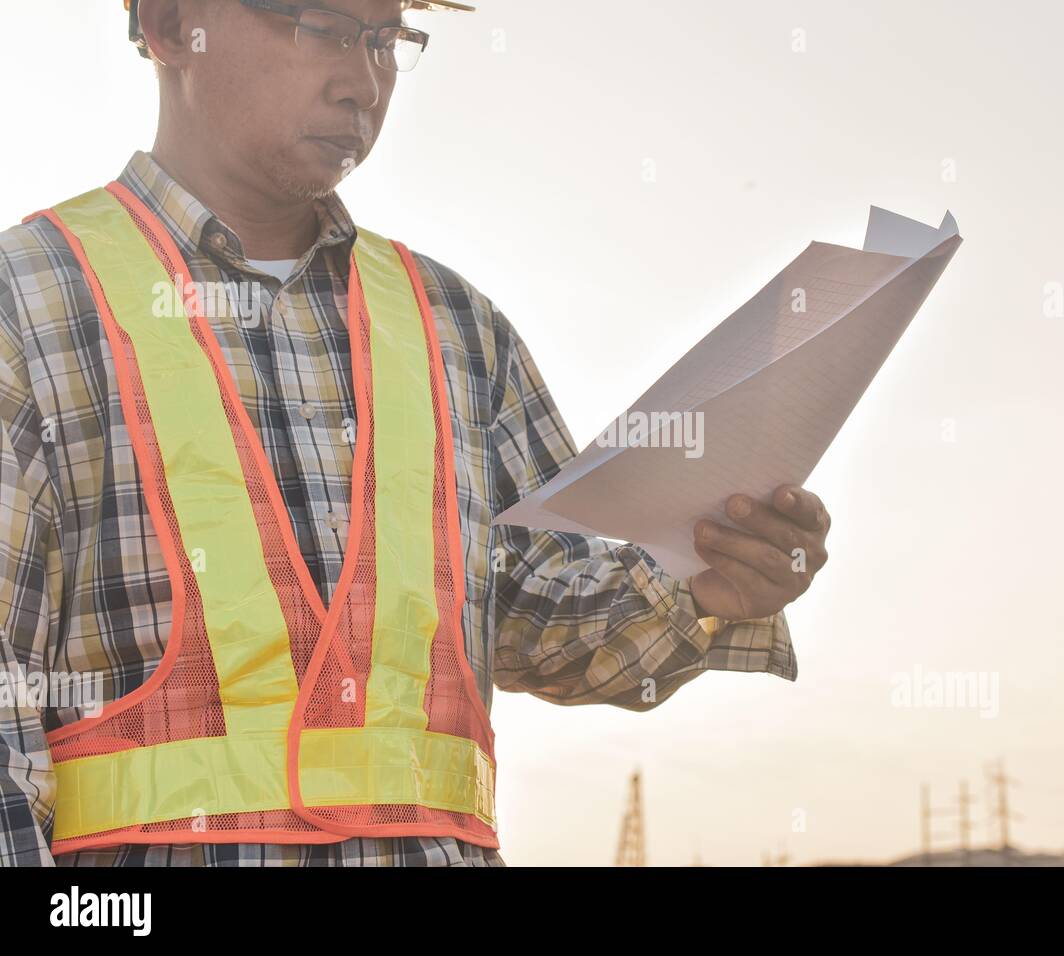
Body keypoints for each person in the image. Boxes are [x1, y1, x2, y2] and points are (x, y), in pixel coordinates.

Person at [0, 0, 831, 867]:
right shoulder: (27, 305)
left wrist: (703, 576)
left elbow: (534, 609)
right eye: (321, 25)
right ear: (173, 26)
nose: (362, 83)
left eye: (385, 41)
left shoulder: (454, 324)